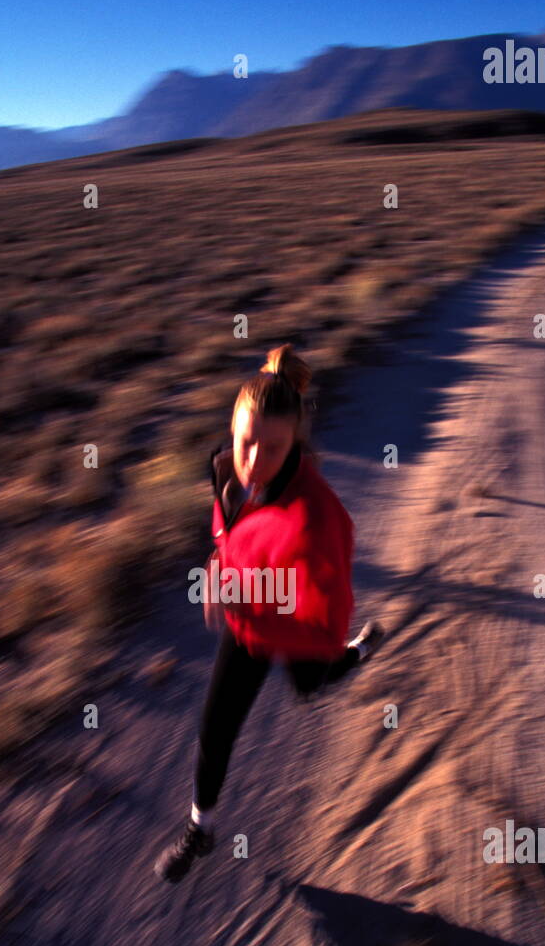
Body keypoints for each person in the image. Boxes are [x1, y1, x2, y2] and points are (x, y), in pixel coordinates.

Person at [153, 343, 383, 884]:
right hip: (251, 623)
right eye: (246, 442)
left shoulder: (314, 513)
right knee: (215, 728)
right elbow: (228, 530)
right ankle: (200, 830)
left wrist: (294, 613)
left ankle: (358, 650)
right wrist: (219, 567)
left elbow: (330, 589)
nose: (255, 459)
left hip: (300, 623)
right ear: (232, 431)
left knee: (314, 684)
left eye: (273, 449)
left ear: (295, 445)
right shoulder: (226, 473)